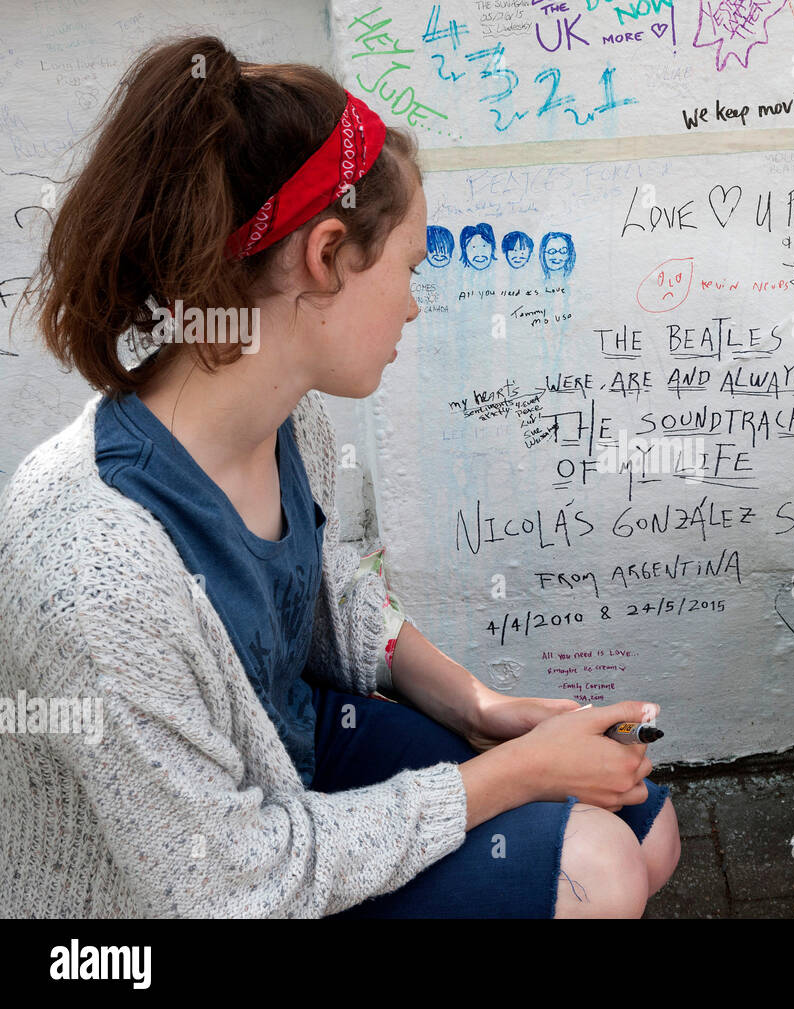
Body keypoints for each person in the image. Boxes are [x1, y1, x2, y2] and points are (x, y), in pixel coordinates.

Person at [0, 36, 678, 918]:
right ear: (325, 256)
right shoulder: (97, 576)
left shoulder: (287, 418)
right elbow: (229, 883)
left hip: (296, 764)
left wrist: (483, 708)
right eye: (410, 263)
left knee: (641, 823)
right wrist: (508, 777)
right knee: (596, 867)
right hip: (196, 891)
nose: (413, 301)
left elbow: (318, 588)